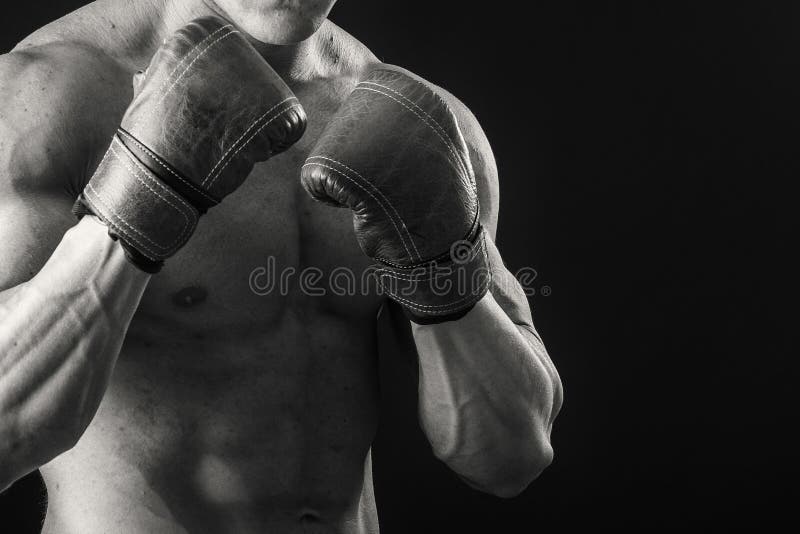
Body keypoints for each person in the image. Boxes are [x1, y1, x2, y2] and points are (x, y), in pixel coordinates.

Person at [0, 1, 563, 532]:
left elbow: (511, 456)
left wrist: (445, 277)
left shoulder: (423, 121)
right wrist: (136, 201)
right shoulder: (43, 98)